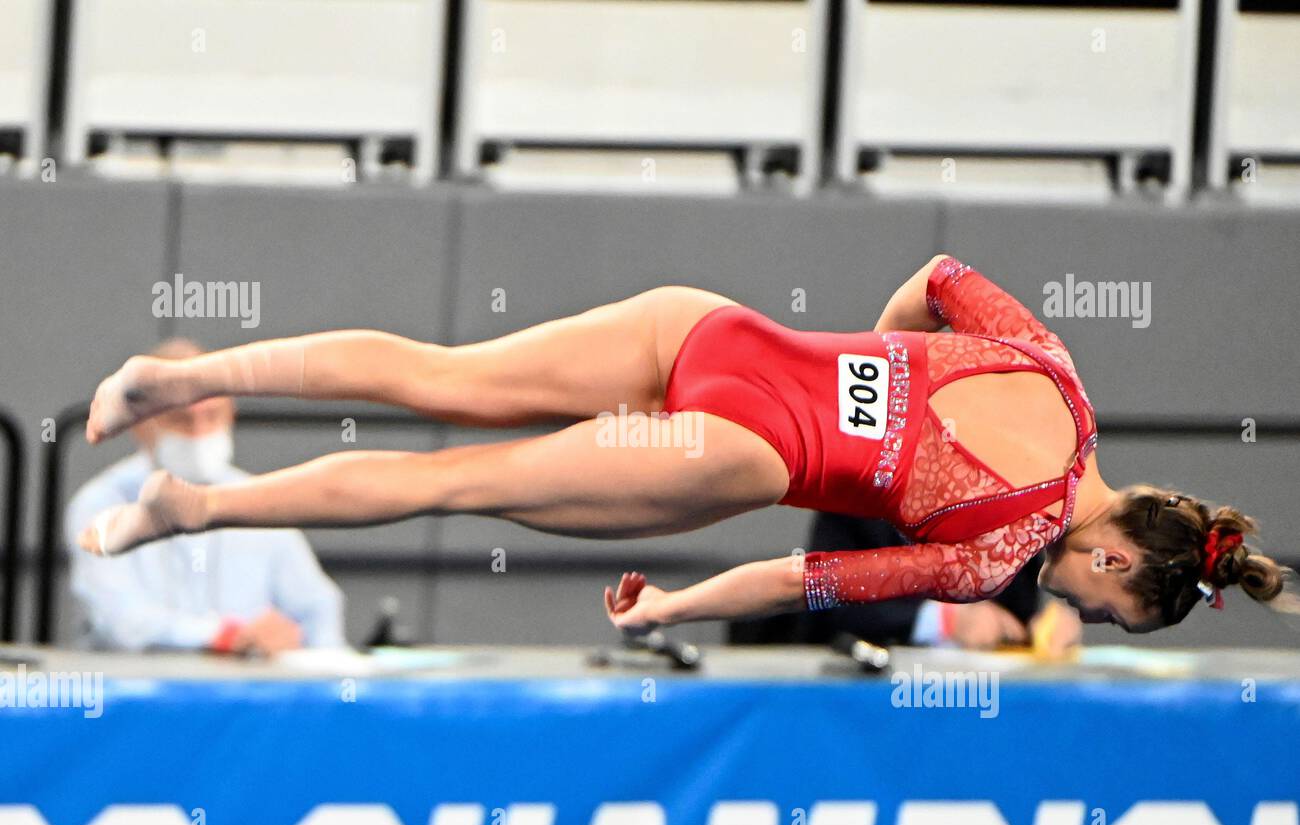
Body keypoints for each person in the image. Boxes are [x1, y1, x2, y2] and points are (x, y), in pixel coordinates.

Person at [75, 257, 1291, 635]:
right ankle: (190, 506)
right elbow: (793, 579)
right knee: (453, 481)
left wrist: (854, 368)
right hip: (743, 447)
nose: (1063, 597)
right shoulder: (999, 552)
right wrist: (664, 610)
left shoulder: (1058, 374)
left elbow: (937, 279)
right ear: (1121, 563)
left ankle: (170, 380)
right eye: (1095, 601)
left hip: (724, 332)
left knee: (436, 372)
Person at [67, 339, 345, 653]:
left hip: (244, 693)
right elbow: (121, 622)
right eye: (182, 420)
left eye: (212, 416)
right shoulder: (100, 503)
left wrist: (328, 675)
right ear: (141, 424)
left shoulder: (260, 498)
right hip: (141, 693)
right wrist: (222, 636)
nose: (199, 433)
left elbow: (316, 608)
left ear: (231, 415)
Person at [727, 513, 1082, 654]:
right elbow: (836, 601)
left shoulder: (1002, 505)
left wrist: (1042, 628)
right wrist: (942, 621)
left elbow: (1016, 609)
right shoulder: (857, 497)